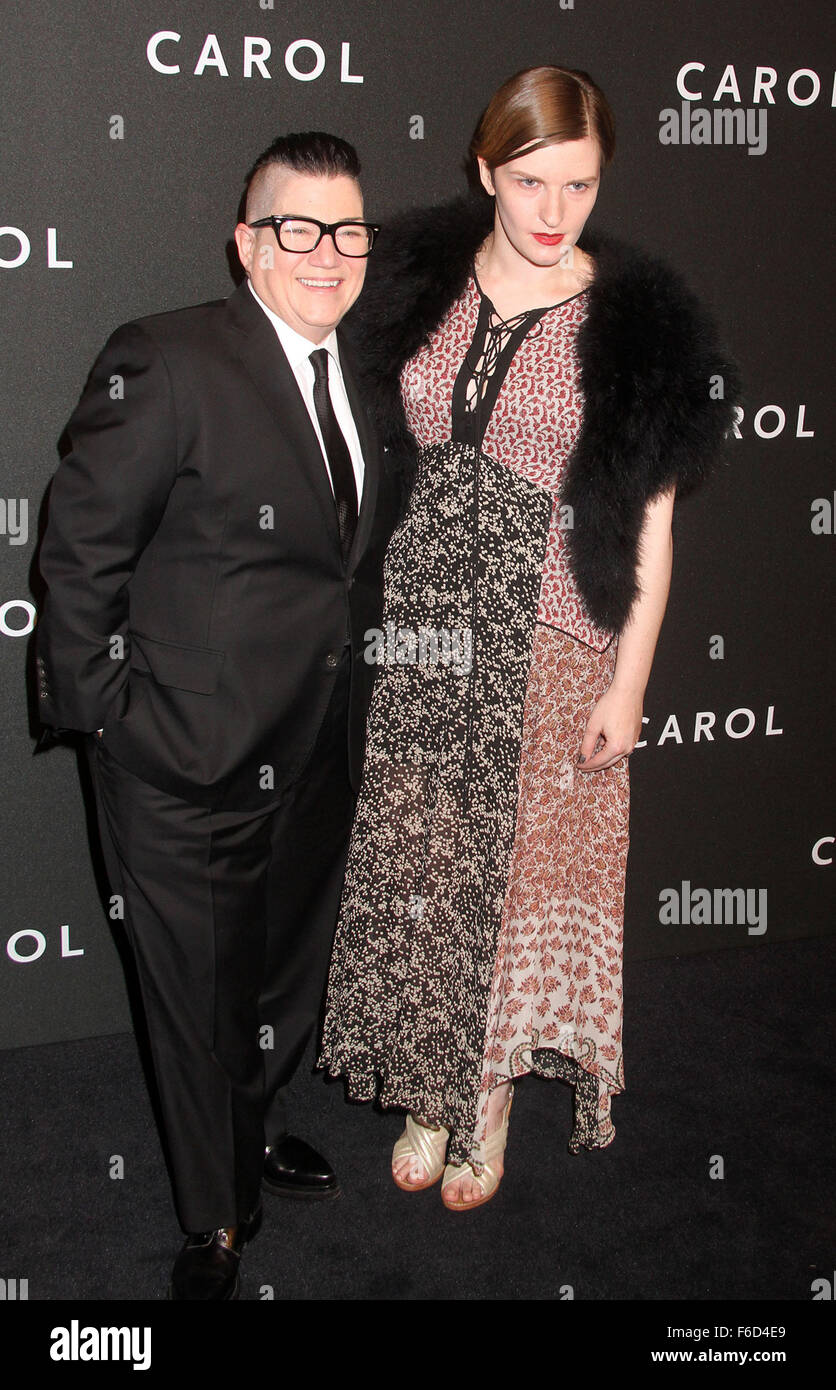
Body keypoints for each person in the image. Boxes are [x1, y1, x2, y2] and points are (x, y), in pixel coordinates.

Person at [319, 67, 740, 1209]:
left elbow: (647, 527)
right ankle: (425, 1077)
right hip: (420, 624)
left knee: (509, 880)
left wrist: (630, 682)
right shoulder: (411, 280)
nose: (553, 209)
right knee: (426, 863)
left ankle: (486, 1095)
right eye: (529, 180)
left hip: (554, 630)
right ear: (484, 170)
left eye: (580, 183)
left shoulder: (634, 325)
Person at [35, 131, 395, 1295]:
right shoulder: (170, 359)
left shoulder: (366, 376)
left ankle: (250, 1129)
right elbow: (79, 552)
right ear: (248, 244)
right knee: (195, 1002)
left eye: (347, 230)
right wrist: (110, 723)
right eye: (298, 228)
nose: (326, 253)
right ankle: (216, 1211)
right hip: (180, 757)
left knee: (282, 980)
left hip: (314, 753)